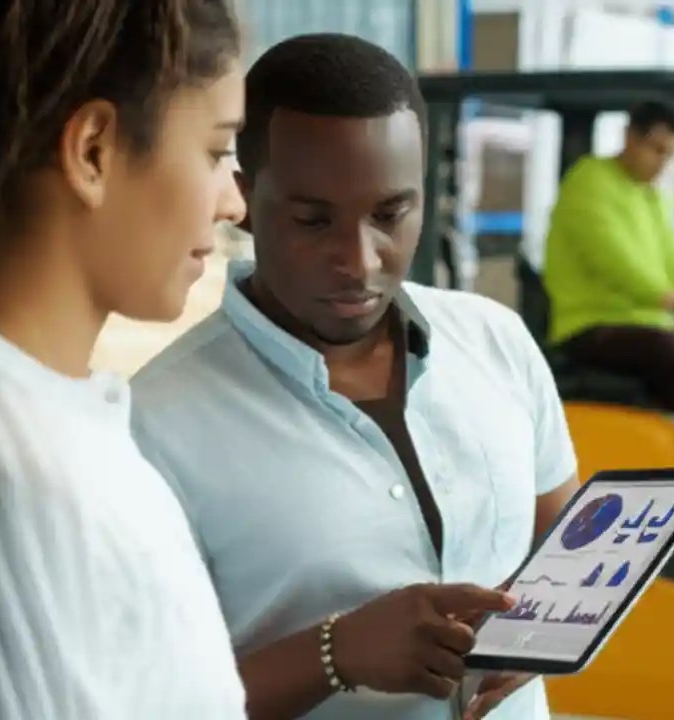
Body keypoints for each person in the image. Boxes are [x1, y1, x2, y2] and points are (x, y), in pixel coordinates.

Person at [130, 34, 578, 720]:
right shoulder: (152, 427)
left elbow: (566, 548)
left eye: (391, 214)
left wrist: (543, 627)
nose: (361, 260)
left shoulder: (498, 342)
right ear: (245, 200)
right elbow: (140, 701)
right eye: (314, 220)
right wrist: (336, 653)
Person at [0, 1, 248, 717]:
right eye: (218, 152)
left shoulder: (57, 425)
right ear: (94, 150)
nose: (233, 202)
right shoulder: (10, 469)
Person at [541, 101, 674, 516]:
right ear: (629, 137)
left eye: (670, 154)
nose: (662, 162)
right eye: (656, 149)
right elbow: (612, 259)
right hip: (590, 326)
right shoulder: (590, 181)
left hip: (652, 325)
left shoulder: (653, 197)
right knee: (670, 352)